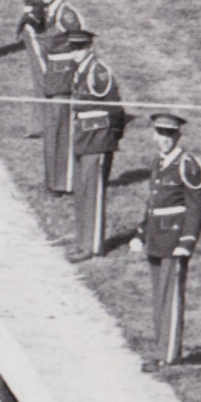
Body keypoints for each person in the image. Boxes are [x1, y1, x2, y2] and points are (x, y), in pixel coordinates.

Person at [129, 113, 201, 366]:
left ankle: (169, 355)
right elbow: (152, 202)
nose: (164, 139)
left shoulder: (187, 164)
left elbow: (196, 207)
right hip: (155, 238)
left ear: (178, 136)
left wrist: (187, 242)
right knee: (159, 298)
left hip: (174, 240)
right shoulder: (158, 162)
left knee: (170, 297)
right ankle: (161, 350)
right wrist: (141, 233)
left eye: (169, 134)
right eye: (160, 133)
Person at [17, 0, 82, 195]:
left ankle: (63, 183)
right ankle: (53, 181)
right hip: (53, 78)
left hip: (65, 79)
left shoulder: (67, 16)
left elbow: (80, 50)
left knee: (62, 130)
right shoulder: (48, 13)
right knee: (52, 130)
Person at [62, 30, 126, 260]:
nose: (75, 52)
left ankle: (92, 245)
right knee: (82, 191)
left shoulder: (98, 72)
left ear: (89, 47)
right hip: (83, 138)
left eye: (79, 47)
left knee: (93, 193)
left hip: (98, 139)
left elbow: (116, 110)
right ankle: (82, 240)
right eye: (72, 48)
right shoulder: (81, 71)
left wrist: (113, 137)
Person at [13, 0, 54, 138]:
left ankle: (43, 123)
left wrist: (31, 18)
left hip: (36, 20)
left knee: (41, 73)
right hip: (49, 18)